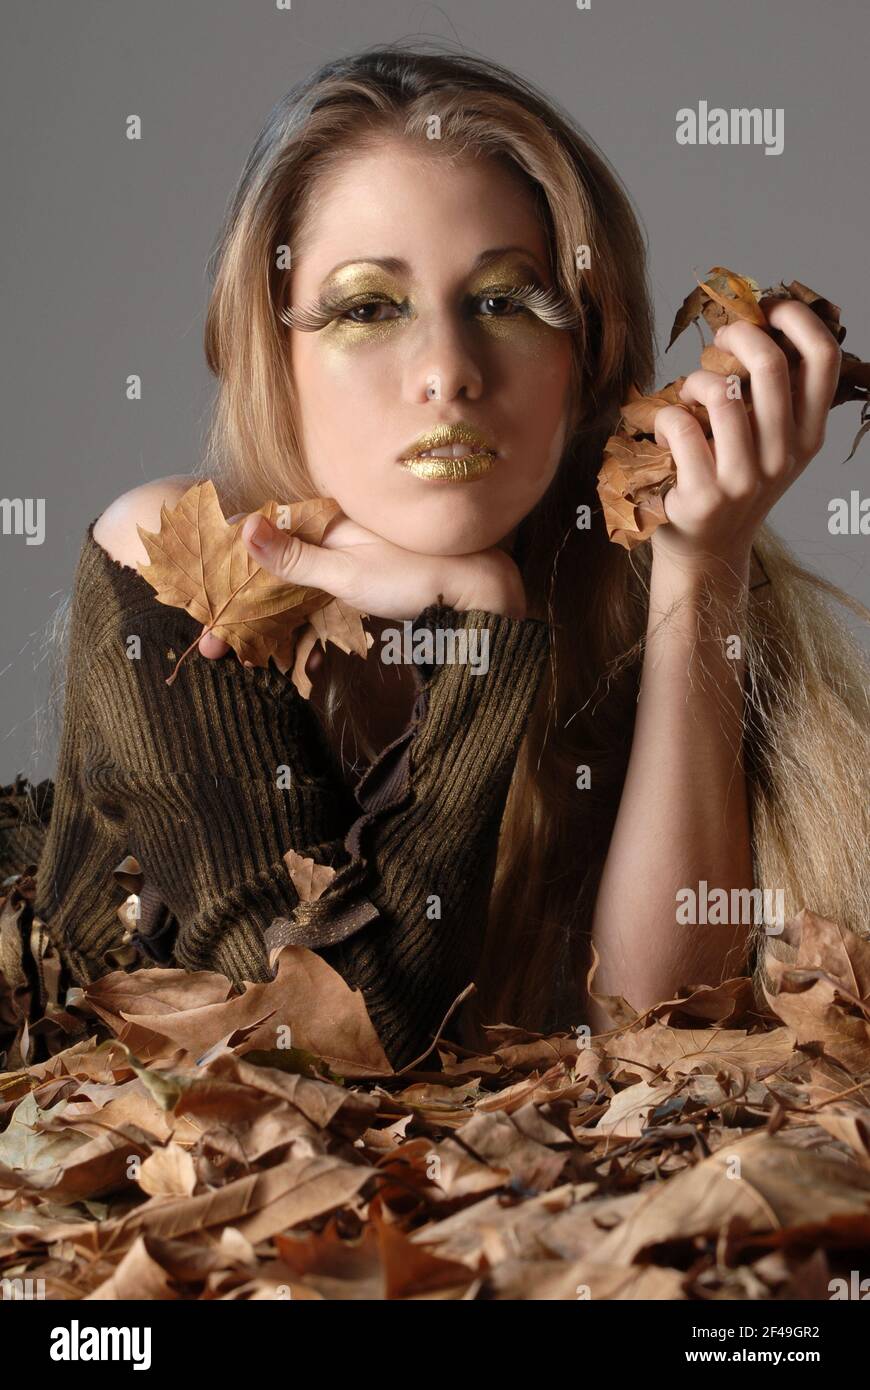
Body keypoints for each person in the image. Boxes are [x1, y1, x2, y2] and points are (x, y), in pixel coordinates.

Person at [3, 45, 867, 1070]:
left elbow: (661, 1047)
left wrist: (702, 572)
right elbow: (326, 1044)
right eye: (369, 307)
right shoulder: (175, 567)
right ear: (265, 348)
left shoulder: (642, 570)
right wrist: (482, 636)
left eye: (506, 301)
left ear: (588, 351)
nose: (449, 373)